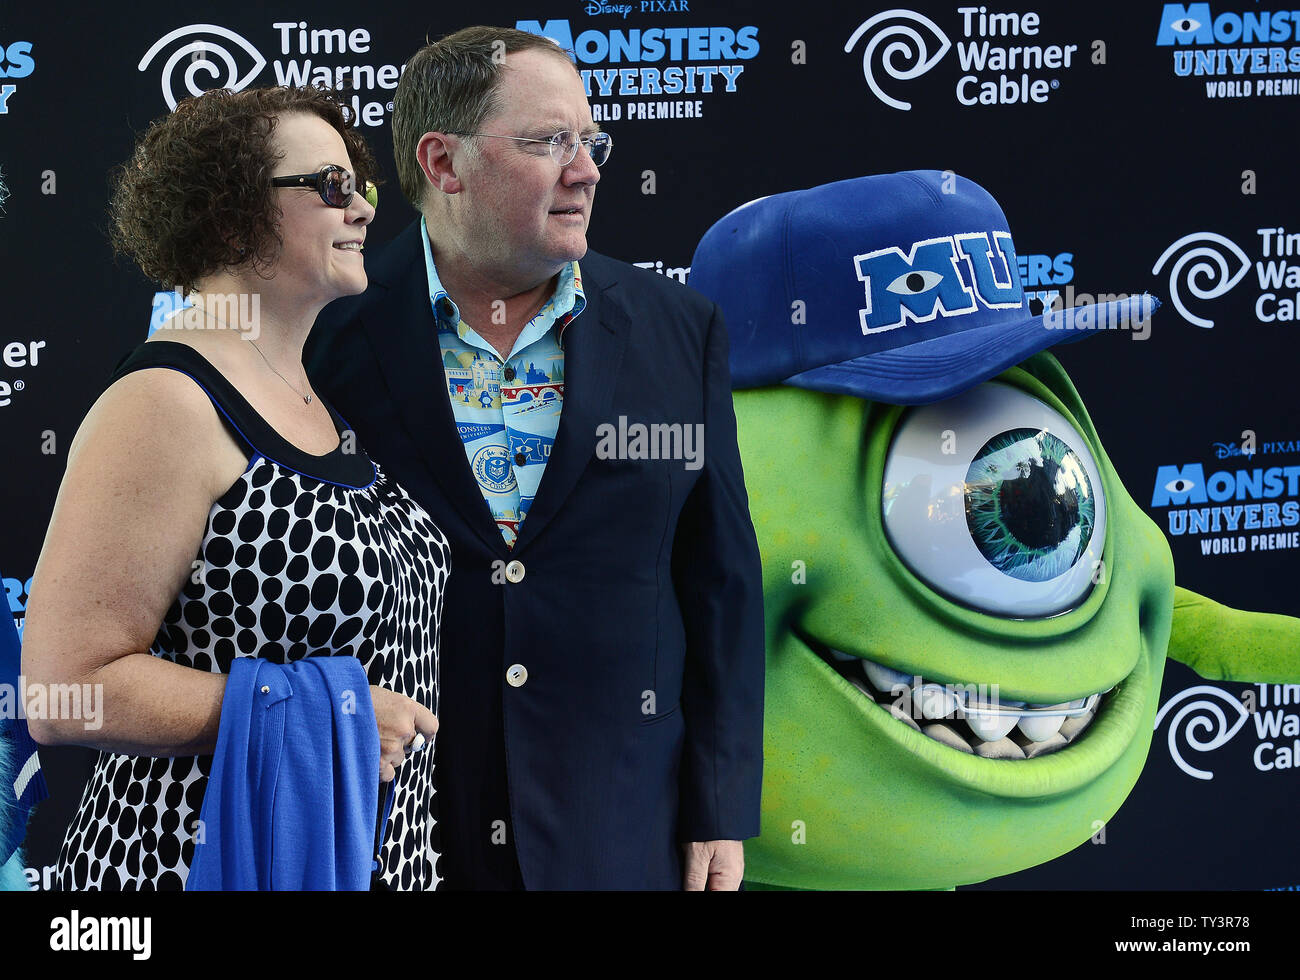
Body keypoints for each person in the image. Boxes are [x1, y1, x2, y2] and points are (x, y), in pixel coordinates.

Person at [306, 26, 765, 890]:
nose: (586, 168)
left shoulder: (679, 329)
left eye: (591, 141)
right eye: (550, 141)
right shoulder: (326, 331)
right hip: (393, 827)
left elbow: (720, 580)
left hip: (623, 827)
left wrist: (721, 806)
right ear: (443, 164)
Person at [23, 86, 449, 890]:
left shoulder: (310, 395)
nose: (361, 208)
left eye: (361, 185)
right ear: (228, 217)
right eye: (330, 186)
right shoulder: (166, 401)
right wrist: (329, 717)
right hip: (193, 864)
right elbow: (60, 691)